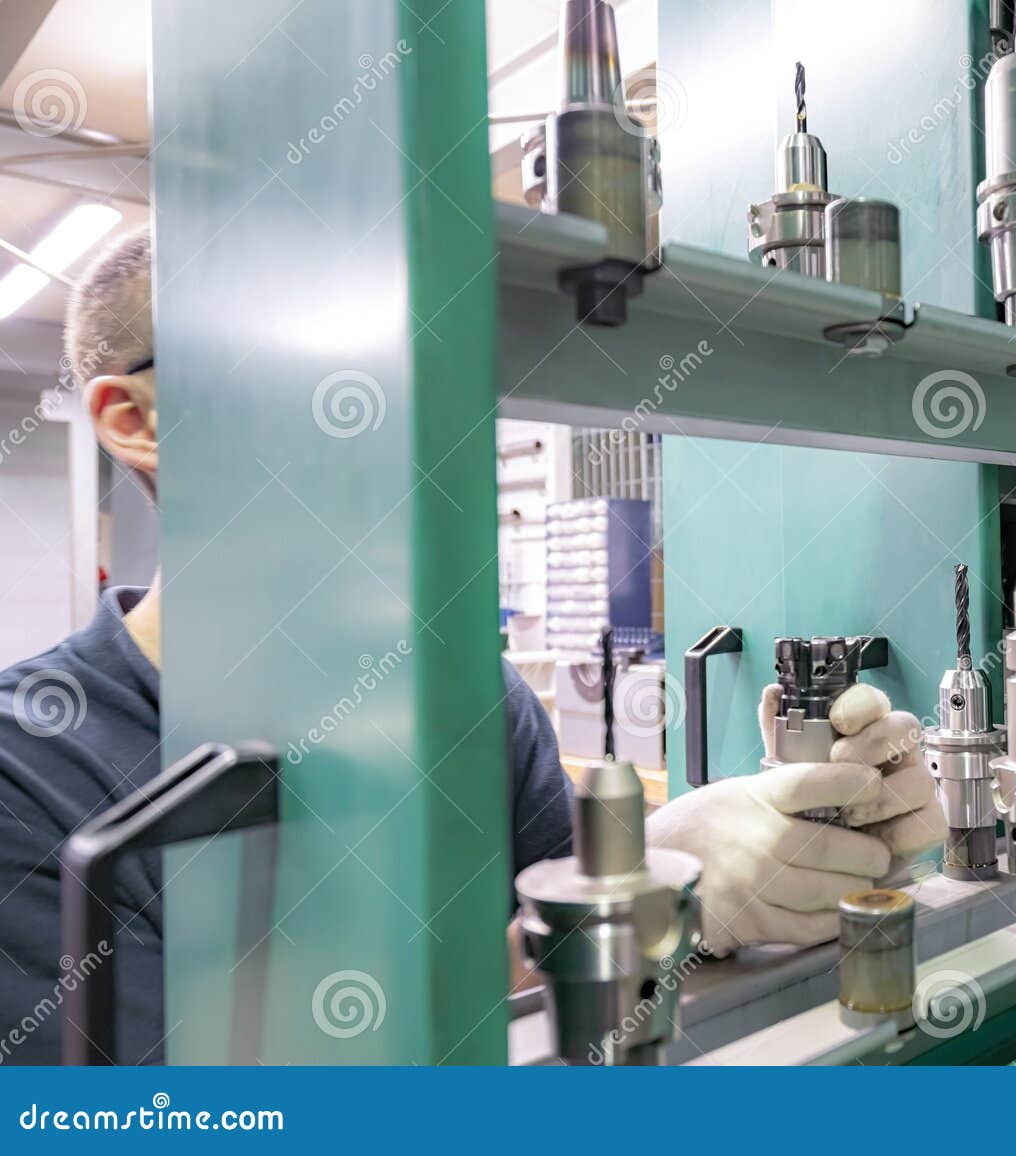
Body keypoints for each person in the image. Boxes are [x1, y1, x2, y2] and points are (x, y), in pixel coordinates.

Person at [0, 227, 941, 1065]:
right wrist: (634, 882)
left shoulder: (475, 705)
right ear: (137, 419)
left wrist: (789, 849)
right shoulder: (29, 768)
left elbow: (578, 991)